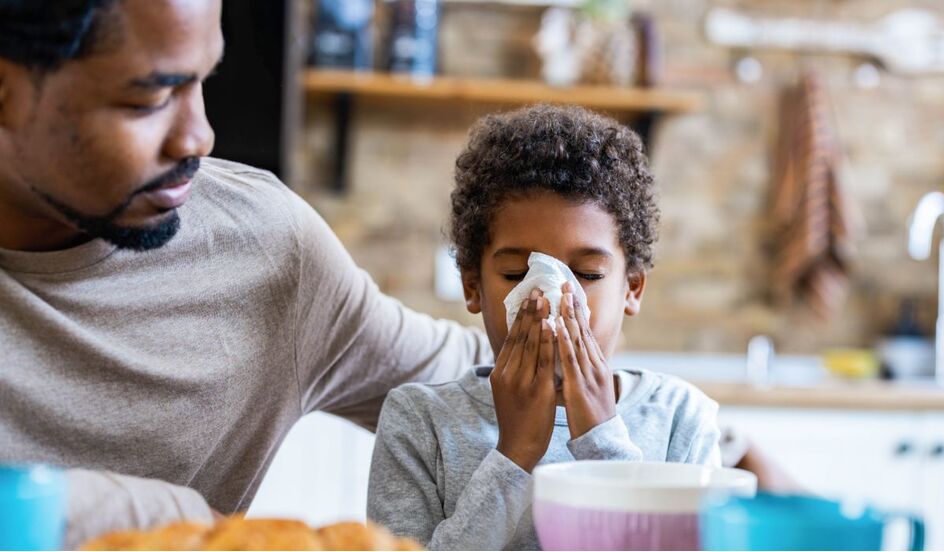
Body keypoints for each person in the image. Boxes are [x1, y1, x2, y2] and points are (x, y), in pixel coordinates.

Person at [0, 1, 488, 546]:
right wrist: (155, 511)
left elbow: (483, 388)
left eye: (202, 81)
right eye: (151, 98)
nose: (198, 137)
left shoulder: (266, 251)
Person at [366, 105, 722, 550]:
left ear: (631, 288)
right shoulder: (418, 422)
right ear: (473, 287)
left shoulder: (680, 420)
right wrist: (513, 456)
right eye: (516, 274)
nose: (550, 301)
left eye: (588, 275)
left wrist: (602, 442)